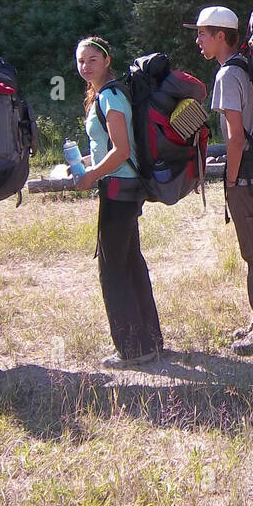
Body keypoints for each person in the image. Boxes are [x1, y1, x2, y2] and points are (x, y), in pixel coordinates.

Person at [190, 6, 253, 355]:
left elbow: (235, 137)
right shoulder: (250, 66)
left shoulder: (226, 76)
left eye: (203, 33)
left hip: (248, 174)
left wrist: (231, 180)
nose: (198, 40)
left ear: (222, 36)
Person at [72, 35, 164, 367]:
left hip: (117, 189)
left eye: (92, 59)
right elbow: (109, 148)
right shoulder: (104, 95)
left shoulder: (110, 96)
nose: (85, 66)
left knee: (113, 269)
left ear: (107, 60)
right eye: (81, 60)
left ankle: (132, 348)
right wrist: (88, 164)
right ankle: (150, 342)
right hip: (120, 187)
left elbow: (121, 150)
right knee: (129, 262)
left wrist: (91, 175)